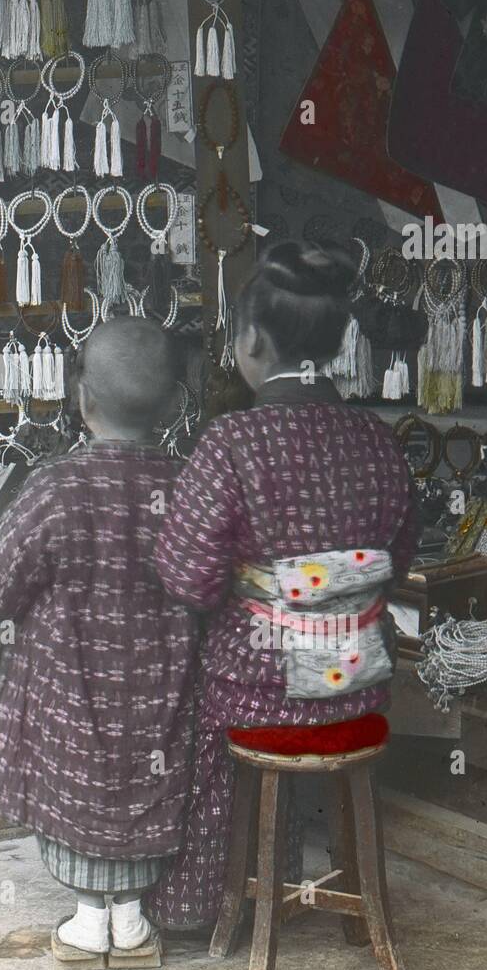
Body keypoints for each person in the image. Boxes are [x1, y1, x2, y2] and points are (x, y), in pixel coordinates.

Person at [144, 241, 420, 931]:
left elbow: (186, 578)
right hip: (358, 686)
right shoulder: (376, 440)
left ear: (251, 341)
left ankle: (203, 904)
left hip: (260, 694)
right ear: (332, 343)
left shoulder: (230, 443)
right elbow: (400, 552)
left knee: (179, 699)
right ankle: (327, 881)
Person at [0, 317, 198, 957]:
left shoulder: (56, 487)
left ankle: (88, 918)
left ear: (82, 400)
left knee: (78, 775)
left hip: (68, 691)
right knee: (148, 774)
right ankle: (131, 918)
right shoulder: (187, 488)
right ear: (176, 403)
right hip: (161, 690)